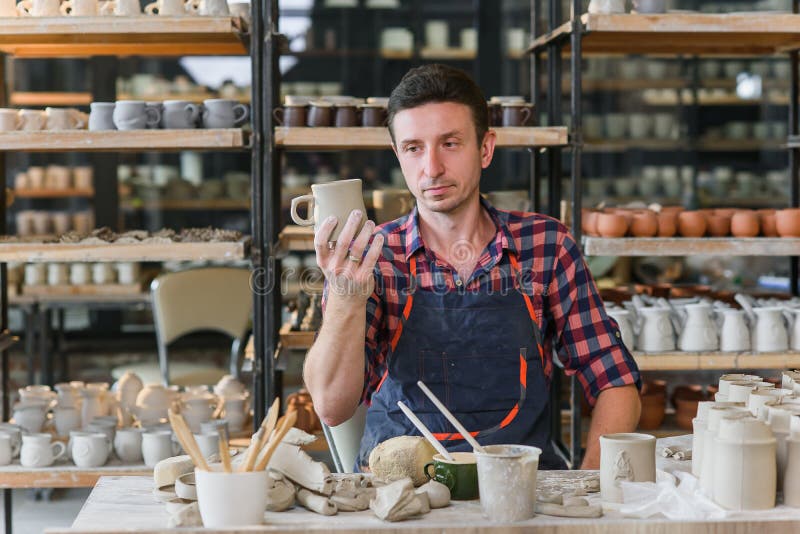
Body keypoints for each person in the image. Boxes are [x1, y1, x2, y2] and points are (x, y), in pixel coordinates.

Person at [303, 64, 641, 470]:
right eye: (414, 148)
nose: (431, 168)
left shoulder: (546, 246)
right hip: (398, 496)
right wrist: (344, 298)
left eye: (450, 143)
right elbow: (331, 407)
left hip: (518, 491)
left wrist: (588, 485)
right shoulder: (374, 256)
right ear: (398, 155)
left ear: (485, 148)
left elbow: (615, 379)